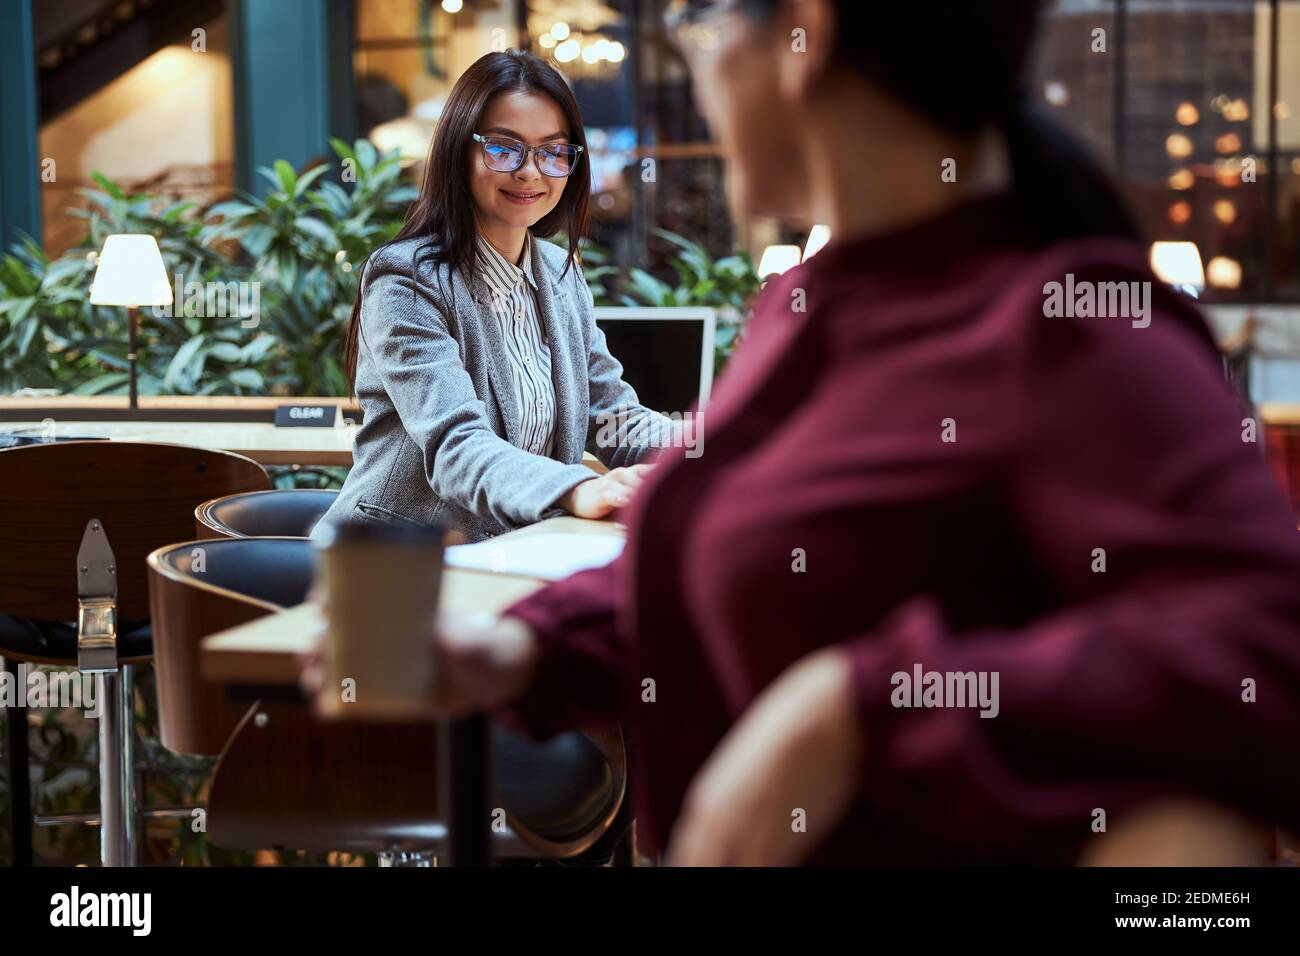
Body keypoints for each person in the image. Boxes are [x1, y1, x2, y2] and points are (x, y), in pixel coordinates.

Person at [360, 1, 1300, 864]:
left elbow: (1269, 656)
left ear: (804, 35)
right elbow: (749, 576)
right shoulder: (809, 309)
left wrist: (860, 708)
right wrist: (535, 647)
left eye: (703, 21)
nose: (694, 67)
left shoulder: (1072, 323)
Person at [318, 50, 670, 543]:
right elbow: (456, 447)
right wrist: (577, 488)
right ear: (459, 152)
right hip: (395, 565)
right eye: (503, 149)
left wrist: (713, 448)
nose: (531, 171)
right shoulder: (406, 279)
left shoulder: (558, 272)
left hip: (519, 550)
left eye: (553, 151)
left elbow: (611, 416)